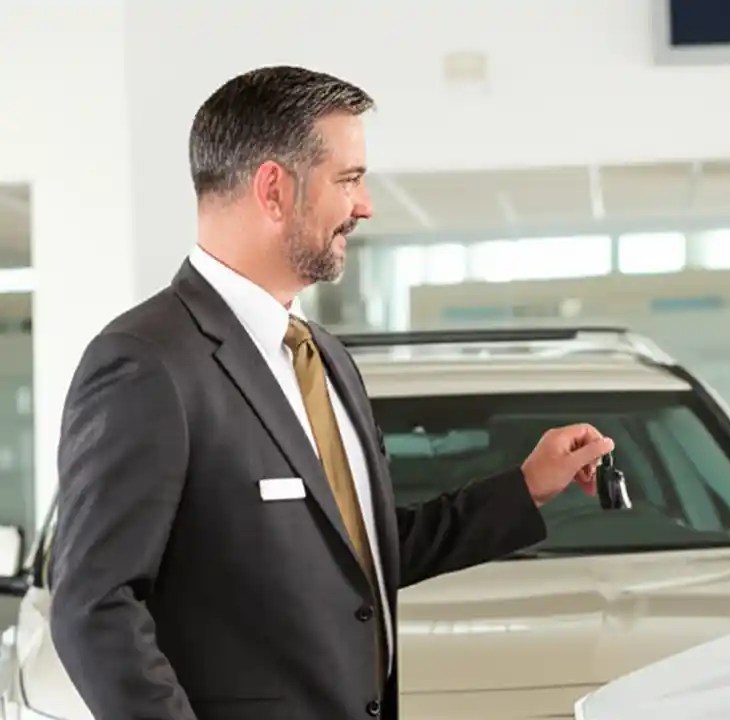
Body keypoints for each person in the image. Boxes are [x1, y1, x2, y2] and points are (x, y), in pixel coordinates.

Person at [47, 65, 614, 720]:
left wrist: (526, 486)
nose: (365, 204)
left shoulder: (327, 358)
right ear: (273, 190)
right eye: (348, 179)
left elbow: (355, 555)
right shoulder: (146, 364)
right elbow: (94, 607)